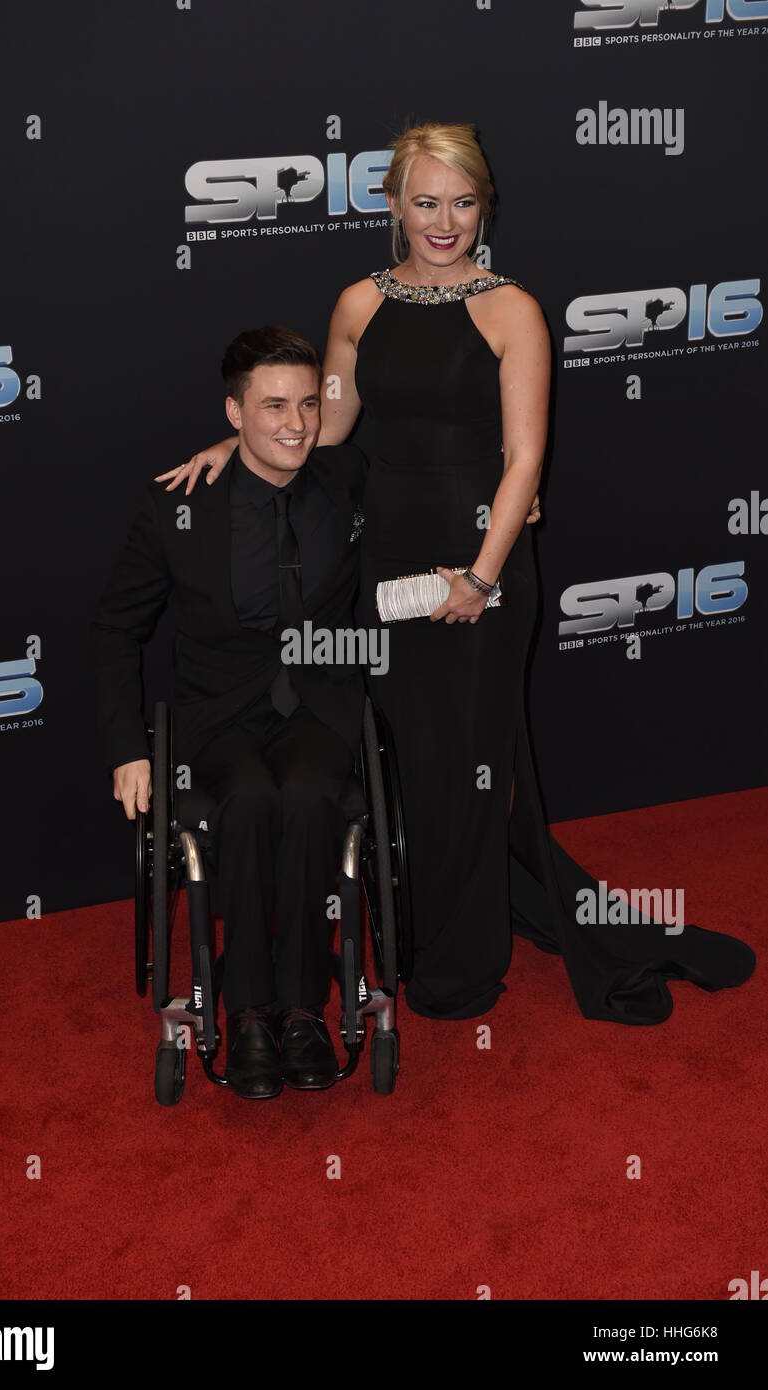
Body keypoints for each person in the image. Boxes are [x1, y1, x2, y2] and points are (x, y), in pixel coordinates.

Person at [156, 122, 756, 1026]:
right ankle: (416, 932)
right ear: (390, 203)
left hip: (483, 565)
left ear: (486, 207)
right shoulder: (359, 303)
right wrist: (236, 440)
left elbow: (524, 462)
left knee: (472, 765)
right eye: (426, 201)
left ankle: (461, 968)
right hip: (385, 562)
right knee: (408, 766)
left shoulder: (511, 309)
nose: (445, 222)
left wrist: (478, 576)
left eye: (463, 202)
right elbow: (330, 422)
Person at [90, 326, 368, 1098]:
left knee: (311, 797)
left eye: (308, 404)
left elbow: (435, 484)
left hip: (317, 704)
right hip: (219, 715)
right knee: (246, 801)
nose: (295, 424)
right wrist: (126, 748)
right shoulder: (177, 505)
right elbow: (116, 629)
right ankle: (247, 1014)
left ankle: (306, 1011)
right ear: (233, 413)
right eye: (272, 406)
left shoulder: (346, 482)